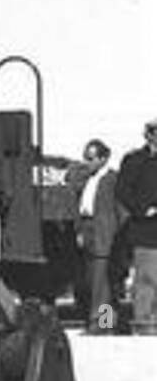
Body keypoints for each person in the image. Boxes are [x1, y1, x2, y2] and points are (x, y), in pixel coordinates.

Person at [72, 140, 125, 333]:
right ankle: (94, 322)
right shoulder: (87, 178)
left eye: (92, 158)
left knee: (103, 283)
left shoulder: (112, 179)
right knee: (90, 280)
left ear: (104, 158)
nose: (88, 162)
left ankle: (104, 324)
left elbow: (120, 209)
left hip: (104, 233)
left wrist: (117, 236)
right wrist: (79, 230)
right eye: (86, 158)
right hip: (87, 229)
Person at [116, 119, 157, 335]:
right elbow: (122, 191)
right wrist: (142, 210)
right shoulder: (135, 160)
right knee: (147, 278)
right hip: (146, 231)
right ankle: (143, 324)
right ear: (149, 135)